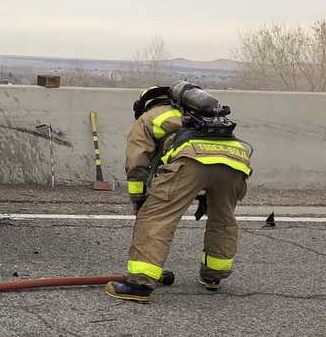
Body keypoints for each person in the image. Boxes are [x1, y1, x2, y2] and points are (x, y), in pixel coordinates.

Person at [106, 82, 253, 302]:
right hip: (236, 160)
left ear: (145, 103)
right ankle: (214, 276)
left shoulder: (150, 116)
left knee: (156, 218)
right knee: (223, 219)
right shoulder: (202, 114)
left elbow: (137, 162)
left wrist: (139, 198)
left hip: (191, 159)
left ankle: (140, 284)